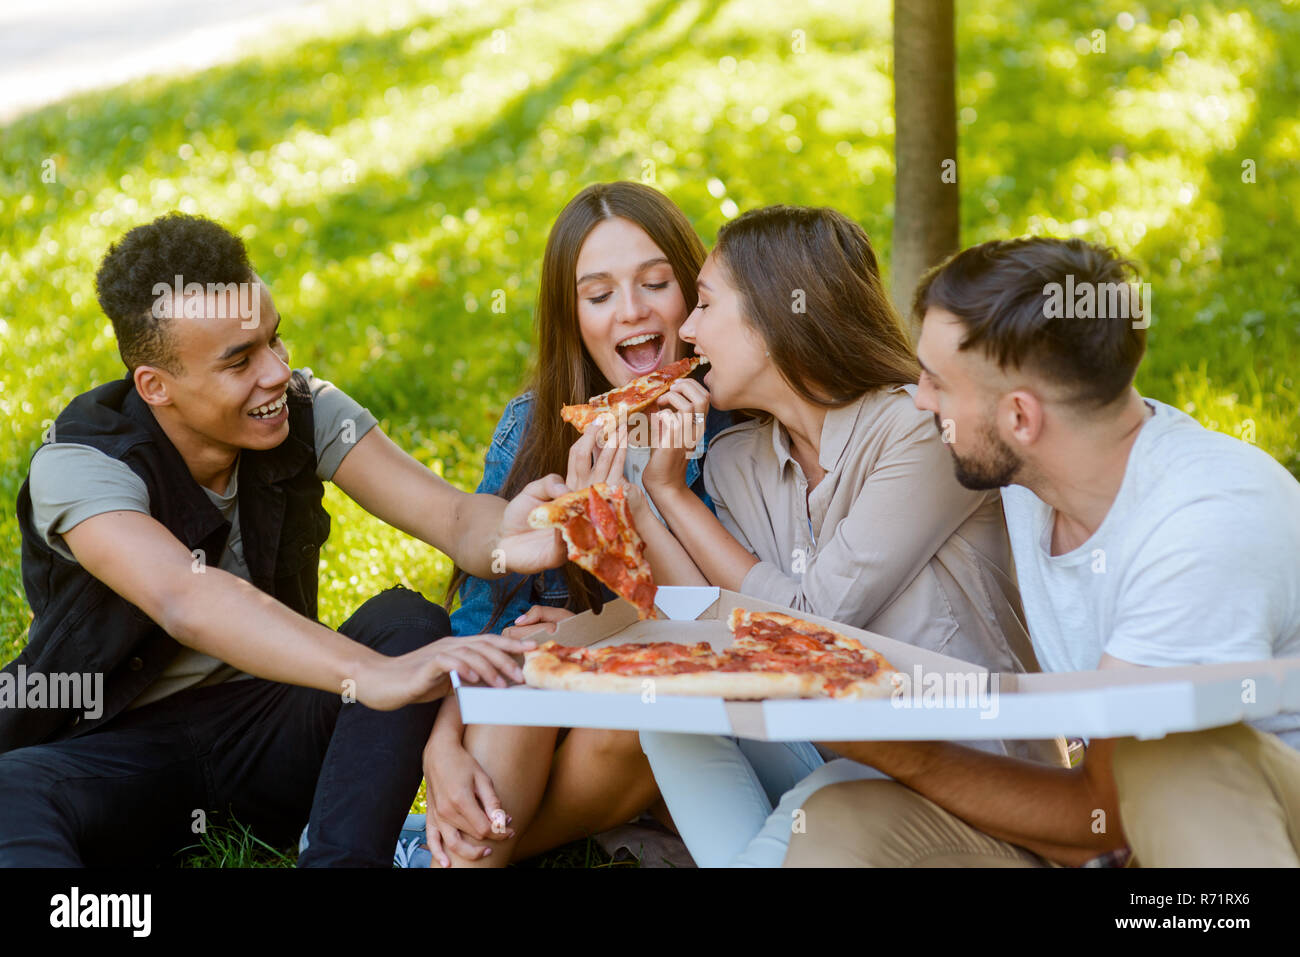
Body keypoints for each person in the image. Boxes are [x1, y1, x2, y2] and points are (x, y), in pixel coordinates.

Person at [0, 212, 565, 867]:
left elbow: (457, 520)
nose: (274, 372)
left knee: (409, 623)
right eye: (240, 360)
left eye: (274, 340)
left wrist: (513, 530)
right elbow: (184, 593)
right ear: (155, 386)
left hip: (275, 731)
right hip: (122, 751)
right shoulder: (79, 463)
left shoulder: (306, 408)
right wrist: (371, 674)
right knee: (12, 789)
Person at [785, 237, 1300, 867]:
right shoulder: (1036, 480)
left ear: (1021, 420)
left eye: (938, 384)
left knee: (1166, 758)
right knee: (843, 821)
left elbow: (1108, 815)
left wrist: (889, 743)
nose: (920, 400)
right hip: (1115, 838)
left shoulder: (1203, 526)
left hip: (1235, 847)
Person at [629, 205, 1064, 868]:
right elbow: (716, 635)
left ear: (775, 318)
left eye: (706, 305)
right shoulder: (736, 461)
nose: (686, 330)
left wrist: (677, 501)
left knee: (832, 793)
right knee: (668, 707)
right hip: (841, 760)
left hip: (975, 783)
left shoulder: (919, 433)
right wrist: (651, 495)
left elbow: (813, 627)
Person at [422, 181, 731, 867]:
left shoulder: (736, 429)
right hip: (538, 724)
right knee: (520, 672)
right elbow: (484, 627)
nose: (631, 311)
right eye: (599, 295)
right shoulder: (530, 429)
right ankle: (471, 849)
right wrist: (438, 744)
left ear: (695, 294)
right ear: (572, 316)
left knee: (644, 702)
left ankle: (472, 852)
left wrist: (597, 600)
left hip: (651, 722)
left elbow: (728, 629)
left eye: (656, 282)